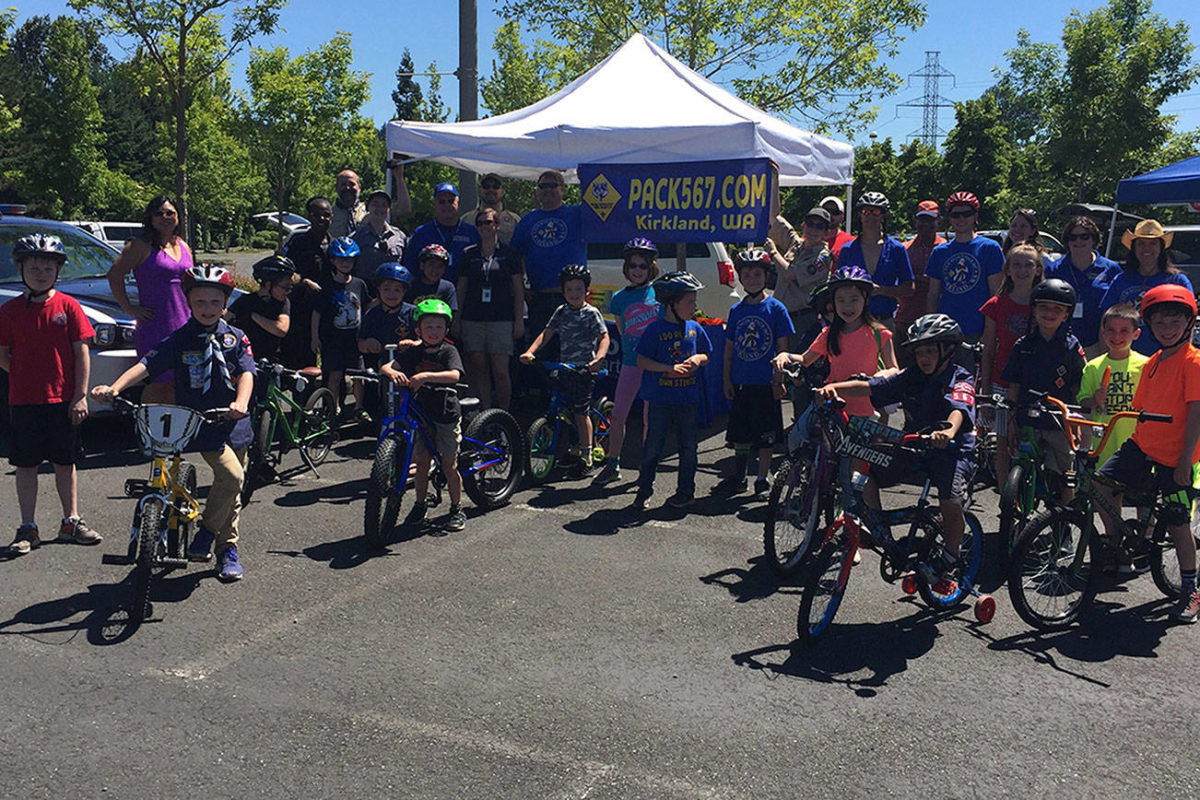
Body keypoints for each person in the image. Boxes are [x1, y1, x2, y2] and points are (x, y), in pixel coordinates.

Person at [91, 264, 255, 582]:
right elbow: (147, 365)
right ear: (189, 303)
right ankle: (207, 532)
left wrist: (241, 402)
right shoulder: (180, 339)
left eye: (214, 302)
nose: (207, 309)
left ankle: (225, 548)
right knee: (232, 478)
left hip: (234, 420)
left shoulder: (236, 338)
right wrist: (115, 387)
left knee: (231, 489)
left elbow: (247, 372)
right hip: (198, 422)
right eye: (199, 302)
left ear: (225, 304)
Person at [815, 314, 977, 584]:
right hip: (916, 446)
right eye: (918, 352)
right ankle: (879, 530)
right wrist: (832, 387)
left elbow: (959, 410)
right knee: (863, 459)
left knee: (950, 500)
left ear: (947, 350)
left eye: (929, 351)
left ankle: (951, 553)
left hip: (952, 451)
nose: (922, 358)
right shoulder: (912, 375)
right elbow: (871, 386)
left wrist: (948, 432)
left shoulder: (960, 378)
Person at [1094, 285, 1200, 622]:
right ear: (1150, 326)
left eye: (1175, 320)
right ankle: (1120, 539)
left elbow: (1196, 413)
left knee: (1178, 524)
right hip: (1142, 445)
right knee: (1100, 482)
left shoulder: (1193, 361)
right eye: (1160, 321)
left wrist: (1185, 461)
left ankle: (1190, 589)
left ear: (1189, 323)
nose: (1167, 327)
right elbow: (1139, 410)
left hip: (1175, 455)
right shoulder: (1153, 362)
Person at [1, 234, 101, 556]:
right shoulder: (10, 310)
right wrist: (19, 373)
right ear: (20, 268)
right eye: (34, 267)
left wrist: (80, 395)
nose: (40, 273)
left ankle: (70, 520)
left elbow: (81, 352)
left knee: (65, 461)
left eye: (48, 267)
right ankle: (27, 527)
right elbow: (2, 353)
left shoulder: (68, 306)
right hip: (24, 400)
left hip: (62, 400)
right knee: (26, 464)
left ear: (57, 271)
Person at [381, 298, 467, 533]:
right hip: (422, 415)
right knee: (421, 461)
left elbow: (455, 375)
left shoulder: (449, 350)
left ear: (446, 329)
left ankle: (457, 507)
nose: (434, 331)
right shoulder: (414, 352)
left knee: (449, 464)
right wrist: (390, 371)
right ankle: (420, 504)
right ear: (418, 330)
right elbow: (389, 366)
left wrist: (425, 377)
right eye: (428, 326)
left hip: (445, 413)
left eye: (439, 326)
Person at [713, 249, 794, 497]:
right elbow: (729, 350)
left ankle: (761, 478)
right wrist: (727, 379)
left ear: (766, 276)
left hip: (765, 383)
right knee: (741, 434)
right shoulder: (737, 310)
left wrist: (778, 379)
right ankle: (739, 476)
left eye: (757, 274)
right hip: (741, 383)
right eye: (746, 275)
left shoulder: (776, 308)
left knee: (766, 436)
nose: (752, 279)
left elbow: (783, 348)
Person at [772, 266, 897, 423]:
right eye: (841, 300)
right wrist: (786, 355)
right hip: (834, 409)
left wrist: (881, 376)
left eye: (854, 299)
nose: (847, 307)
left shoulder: (880, 333)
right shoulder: (829, 333)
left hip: (867, 411)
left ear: (865, 298)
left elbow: (894, 369)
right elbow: (805, 360)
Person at [1001, 278, 1086, 505]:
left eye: (1057, 310)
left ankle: (1066, 522)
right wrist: (1011, 419)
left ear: (1066, 315)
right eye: (1044, 308)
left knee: (1065, 473)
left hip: (1059, 421)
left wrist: (1075, 420)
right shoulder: (1023, 345)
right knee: (1020, 464)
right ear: (1034, 310)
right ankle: (1017, 518)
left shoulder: (1072, 346)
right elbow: (1014, 384)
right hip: (1027, 416)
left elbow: (1078, 385)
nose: (1049, 314)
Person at [520, 265, 610, 478]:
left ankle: (586, 456)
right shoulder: (561, 311)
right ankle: (571, 448)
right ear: (563, 292)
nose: (574, 294)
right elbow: (547, 333)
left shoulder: (591, 313)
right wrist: (530, 351)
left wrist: (599, 358)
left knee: (580, 412)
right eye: (569, 290)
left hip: (584, 370)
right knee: (561, 409)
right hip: (564, 368)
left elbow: (604, 337)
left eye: (578, 289)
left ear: (586, 291)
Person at [633, 271, 712, 510]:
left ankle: (685, 491)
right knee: (653, 447)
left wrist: (698, 358)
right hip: (660, 400)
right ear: (672, 303)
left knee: (688, 447)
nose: (694, 306)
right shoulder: (654, 329)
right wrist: (669, 367)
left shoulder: (694, 328)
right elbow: (642, 361)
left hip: (687, 399)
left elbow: (707, 354)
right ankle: (644, 489)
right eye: (690, 302)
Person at [1078, 303, 1147, 573]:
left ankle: (1143, 543)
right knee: (1107, 496)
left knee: (1142, 495)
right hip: (1105, 441)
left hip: (1138, 442)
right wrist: (1093, 400)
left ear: (1135, 334)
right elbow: (1082, 400)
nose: (1117, 336)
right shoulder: (1094, 366)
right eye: (1111, 331)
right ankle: (1114, 544)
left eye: (1124, 331)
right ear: (1103, 332)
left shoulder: (1145, 365)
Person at [107, 194, 193, 403]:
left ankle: (173, 431)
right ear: (150, 218)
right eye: (158, 214)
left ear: (178, 216)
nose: (165, 217)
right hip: (155, 324)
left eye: (170, 213)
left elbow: (192, 282)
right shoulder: (140, 246)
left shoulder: (183, 245)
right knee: (158, 380)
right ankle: (147, 430)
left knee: (179, 380)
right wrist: (129, 308)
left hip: (185, 322)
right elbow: (114, 274)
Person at [595, 238, 661, 485]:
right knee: (619, 414)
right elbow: (622, 331)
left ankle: (647, 466)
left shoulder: (660, 293)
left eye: (642, 266)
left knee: (649, 418)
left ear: (651, 267)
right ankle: (613, 463)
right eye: (633, 265)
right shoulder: (620, 298)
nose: (637, 270)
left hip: (654, 366)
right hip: (631, 364)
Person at [979, 242, 1042, 481]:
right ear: (1007, 269)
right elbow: (987, 350)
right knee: (1004, 441)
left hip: (1035, 383)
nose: (1022, 270)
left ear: (1038, 269)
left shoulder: (1044, 305)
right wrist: (985, 391)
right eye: (1016, 265)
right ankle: (1005, 491)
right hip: (1001, 382)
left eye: (1029, 265)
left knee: (1031, 438)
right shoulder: (996, 305)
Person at [456, 208, 524, 409]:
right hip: (472, 318)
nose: (485, 227)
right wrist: (456, 318)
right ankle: (485, 413)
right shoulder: (468, 254)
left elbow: (518, 290)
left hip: (502, 319)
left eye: (489, 222)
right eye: (481, 223)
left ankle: (503, 414)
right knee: (479, 368)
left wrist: (519, 320)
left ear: (497, 225)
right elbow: (461, 288)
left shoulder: (509, 254)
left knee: (501, 370)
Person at [511, 170, 588, 344]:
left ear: (562, 189)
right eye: (542, 186)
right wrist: (522, 289)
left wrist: (587, 179)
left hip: (572, 298)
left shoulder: (577, 214)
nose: (547, 189)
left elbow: (598, 203)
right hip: (539, 300)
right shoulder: (527, 220)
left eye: (553, 185)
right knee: (541, 352)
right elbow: (515, 259)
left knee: (573, 350)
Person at [1100, 219, 1194, 356]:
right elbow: (1105, 322)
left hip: (1166, 356)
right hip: (1126, 359)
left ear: (1161, 248)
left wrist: (1184, 358)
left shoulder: (1178, 281)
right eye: (1141, 244)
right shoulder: (1121, 280)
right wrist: (1105, 358)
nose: (1147, 248)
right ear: (1134, 248)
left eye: (1153, 243)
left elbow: (1189, 322)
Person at [925, 191, 1005, 343]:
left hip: (977, 329)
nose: (961, 219)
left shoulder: (989, 248)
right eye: (956, 215)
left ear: (975, 216)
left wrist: (990, 332)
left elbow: (996, 294)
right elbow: (933, 295)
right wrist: (931, 330)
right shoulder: (939, 252)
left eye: (966, 214)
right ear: (950, 218)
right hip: (946, 330)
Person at [1045, 216, 1121, 355]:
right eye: (1073, 237)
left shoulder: (1111, 269)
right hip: (1061, 343)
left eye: (1084, 236)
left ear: (1093, 239)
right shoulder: (1054, 270)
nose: (1078, 241)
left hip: (1099, 343)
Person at [836, 192, 914, 327]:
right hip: (853, 322)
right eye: (866, 212)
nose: (870, 216)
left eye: (876, 212)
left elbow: (909, 288)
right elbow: (837, 286)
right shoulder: (848, 250)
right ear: (860, 216)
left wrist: (883, 290)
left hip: (884, 319)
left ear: (883, 216)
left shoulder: (896, 249)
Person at [313, 236, 368, 421]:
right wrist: (315, 337)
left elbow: (367, 307)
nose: (345, 263)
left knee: (359, 376)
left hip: (355, 339)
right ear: (332, 261)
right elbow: (317, 313)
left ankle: (359, 407)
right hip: (333, 339)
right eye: (341, 259)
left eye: (349, 259)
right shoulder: (327, 287)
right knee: (334, 376)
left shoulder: (359, 284)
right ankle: (333, 407)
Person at [765, 206, 833, 349]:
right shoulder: (796, 244)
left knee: (793, 362)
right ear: (803, 225)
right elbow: (774, 217)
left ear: (826, 232)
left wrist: (773, 253)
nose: (813, 229)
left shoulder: (823, 257)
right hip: (781, 314)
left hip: (802, 318)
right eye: (810, 224)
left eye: (819, 226)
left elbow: (790, 275)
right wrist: (774, 182)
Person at [280, 197, 332, 370]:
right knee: (299, 361)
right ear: (309, 217)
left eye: (326, 215)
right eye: (317, 215)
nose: (322, 219)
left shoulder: (335, 244)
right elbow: (286, 272)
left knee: (331, 363)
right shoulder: (298, 242)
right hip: (301, 309)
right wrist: (304, 281)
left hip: (327, 310)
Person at [896, 200, 946, 358]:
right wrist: (927, 281)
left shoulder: (945, 248)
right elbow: (899, 283)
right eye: (922, 219)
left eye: (930, 220)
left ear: (939, 221)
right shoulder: (904, 249)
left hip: (936, 321)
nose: (926, 224)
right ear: (915, 221)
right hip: (906, 318)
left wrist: (918, 280)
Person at [403, 182, 480, 283]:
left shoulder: (471, 232)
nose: (447, 205)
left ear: (458, 204)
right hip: (429, 292)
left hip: (464, 292)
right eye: (441, 201)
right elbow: (410, 267)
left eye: (451, 201)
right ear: (434, 204)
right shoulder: (422, 232)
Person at [227, 254, 294, 364]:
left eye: (290, 288)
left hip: (272, 362)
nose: (288, 292)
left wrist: (253, 316)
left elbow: (281, 330)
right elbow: (224, 320)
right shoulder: (246, 301)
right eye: (285, 288)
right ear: (268, 285)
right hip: (246, 358)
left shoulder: (283, 303)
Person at [359, 262, 417, 369]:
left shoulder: (412, 313)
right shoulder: (372, 314)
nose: (391, 294)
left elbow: (425, 340)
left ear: (404, 292)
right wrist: (367, 344)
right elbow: (360, 342)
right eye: (386, 289)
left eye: (397, 290)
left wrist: (412, 343)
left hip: (406, 364)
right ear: (378, 289)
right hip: (378, 364)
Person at [329, 165, 412, 238]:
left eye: (351, 184)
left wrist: (399, 177)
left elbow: (404, 209)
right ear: (336, 187)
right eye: (343, 184)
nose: (347, 188)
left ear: (359, 187)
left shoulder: (373, 209)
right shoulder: (329, 214)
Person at [351, 190, 407, 292]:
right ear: (368, 208)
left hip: (392, 292)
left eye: (384, 205)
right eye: (375, 204)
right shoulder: (356, 237)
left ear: (389, 209)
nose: (379, 209)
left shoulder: (399, 236)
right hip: (366, 290)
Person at [460, 173, 522, 245]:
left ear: (502, 192)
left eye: (495, 186)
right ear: (479, 191)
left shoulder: (514, 220)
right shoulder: (466, 219)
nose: (491, 189)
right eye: (486, 186)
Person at [410, 244, 459, 311]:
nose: (435, 270)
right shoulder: (412, 286)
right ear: (422, 265)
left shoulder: (447, 288)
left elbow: (452, 312)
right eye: (431, 265)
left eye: (440, 266)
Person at [819, 195, 854, 264]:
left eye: (835, 212)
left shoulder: (851, 243)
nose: (829, 215)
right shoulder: (807, 240)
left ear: (842, 217)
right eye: (825, 211)